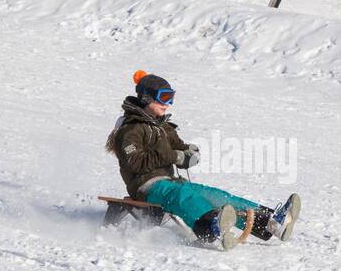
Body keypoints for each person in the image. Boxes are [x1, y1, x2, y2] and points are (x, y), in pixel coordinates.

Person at [105, 70, 300, 247]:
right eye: (163, 97)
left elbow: (180, 147)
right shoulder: (129, 129)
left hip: (171, 182)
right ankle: (210, 226)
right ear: (147, 98)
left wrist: (189, 152)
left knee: (216, 196)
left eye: (171, 97)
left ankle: (271, 223)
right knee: (182, 197)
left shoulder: (162, 127)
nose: (168, 103)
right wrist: (174, 156)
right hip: (146, 186)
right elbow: (135, 162)